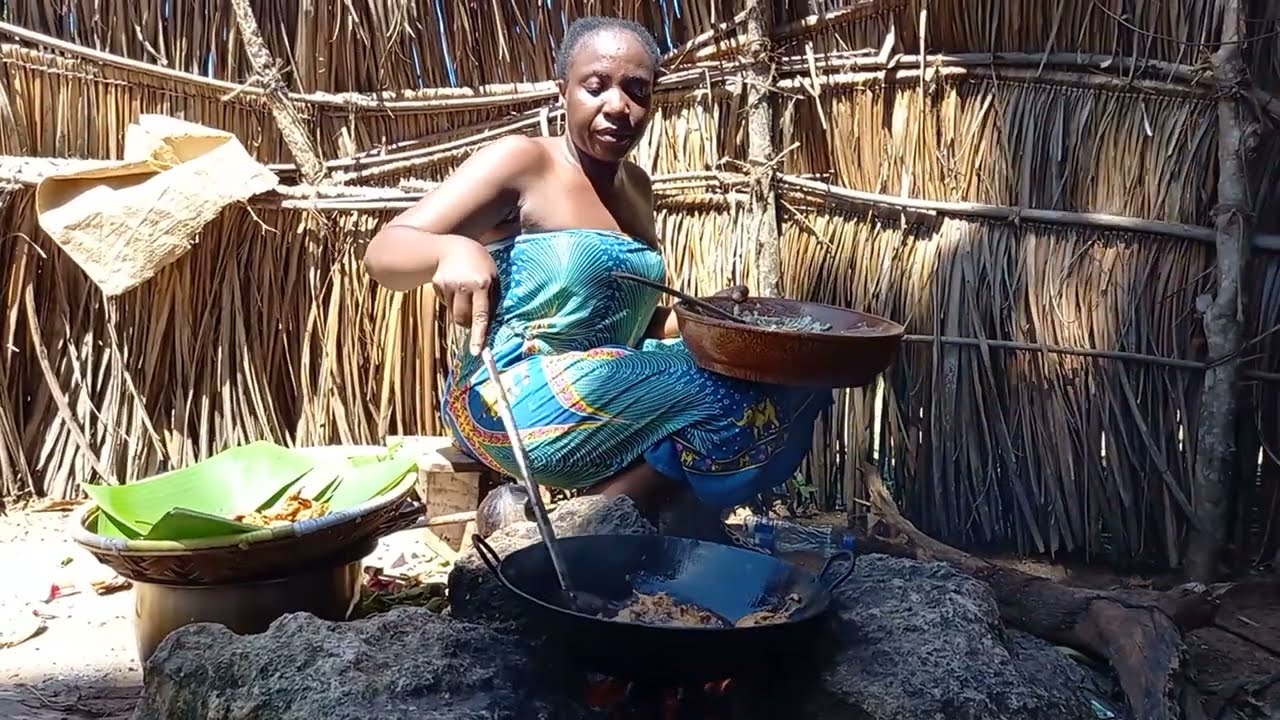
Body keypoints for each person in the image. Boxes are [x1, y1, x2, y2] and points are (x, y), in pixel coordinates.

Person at [363, 16, 833, 541]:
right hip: (509, 400)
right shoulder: (523, 163)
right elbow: (385, 252)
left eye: (638, 91)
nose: (618, 106)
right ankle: (585, 529)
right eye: (596, 86)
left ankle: (640, 517)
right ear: (562, 90)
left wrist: (703, 318)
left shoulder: (636, 187)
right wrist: (451, 247)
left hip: (614, 384)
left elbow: (626, 320)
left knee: (788, 366)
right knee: (713, 387)